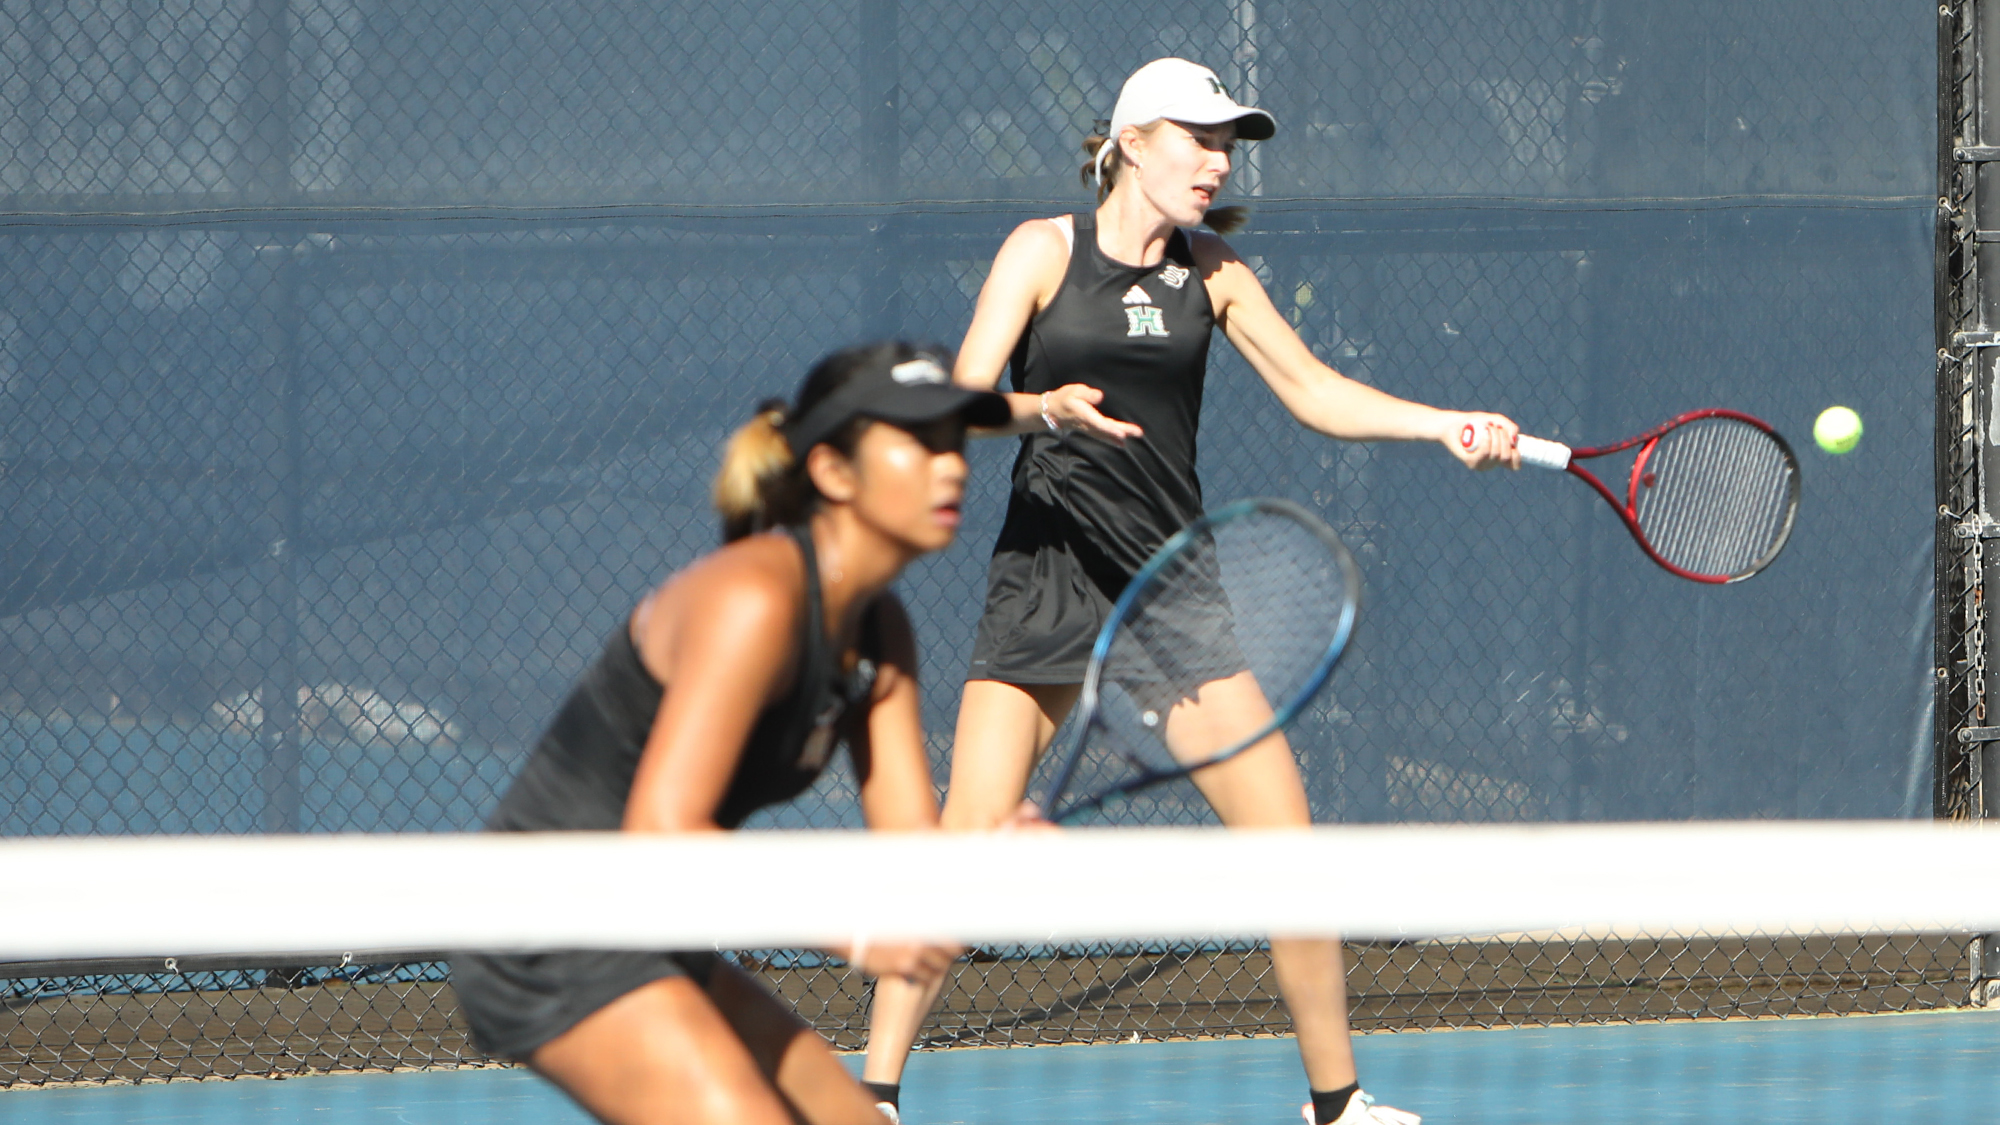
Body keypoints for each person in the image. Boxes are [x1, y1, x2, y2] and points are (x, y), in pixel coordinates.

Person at [858, 59, 1523, 1125]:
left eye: (1227, 143)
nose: (1217, 161)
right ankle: (876, 1098)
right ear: (1128, 139)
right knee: (964, 844)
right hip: (1047, 579)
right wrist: (1046, 411)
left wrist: (1440, 424)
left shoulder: (1213, 272)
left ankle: (1335, 1105)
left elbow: (1314, 392)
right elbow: (959, 402)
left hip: (1172, 596)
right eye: (1196, 138)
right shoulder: (1042, 250)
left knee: (1286, 853)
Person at [450, 341, 1008, 1125]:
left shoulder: (881, 630)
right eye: (918, 441)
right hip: (545, 929)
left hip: (650, 925)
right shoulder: (754, 600)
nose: (950, 465)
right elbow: (662, 835)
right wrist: (853, 927)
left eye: (953, 442)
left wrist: (990, 854)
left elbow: (914, 850)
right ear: (833, 472)